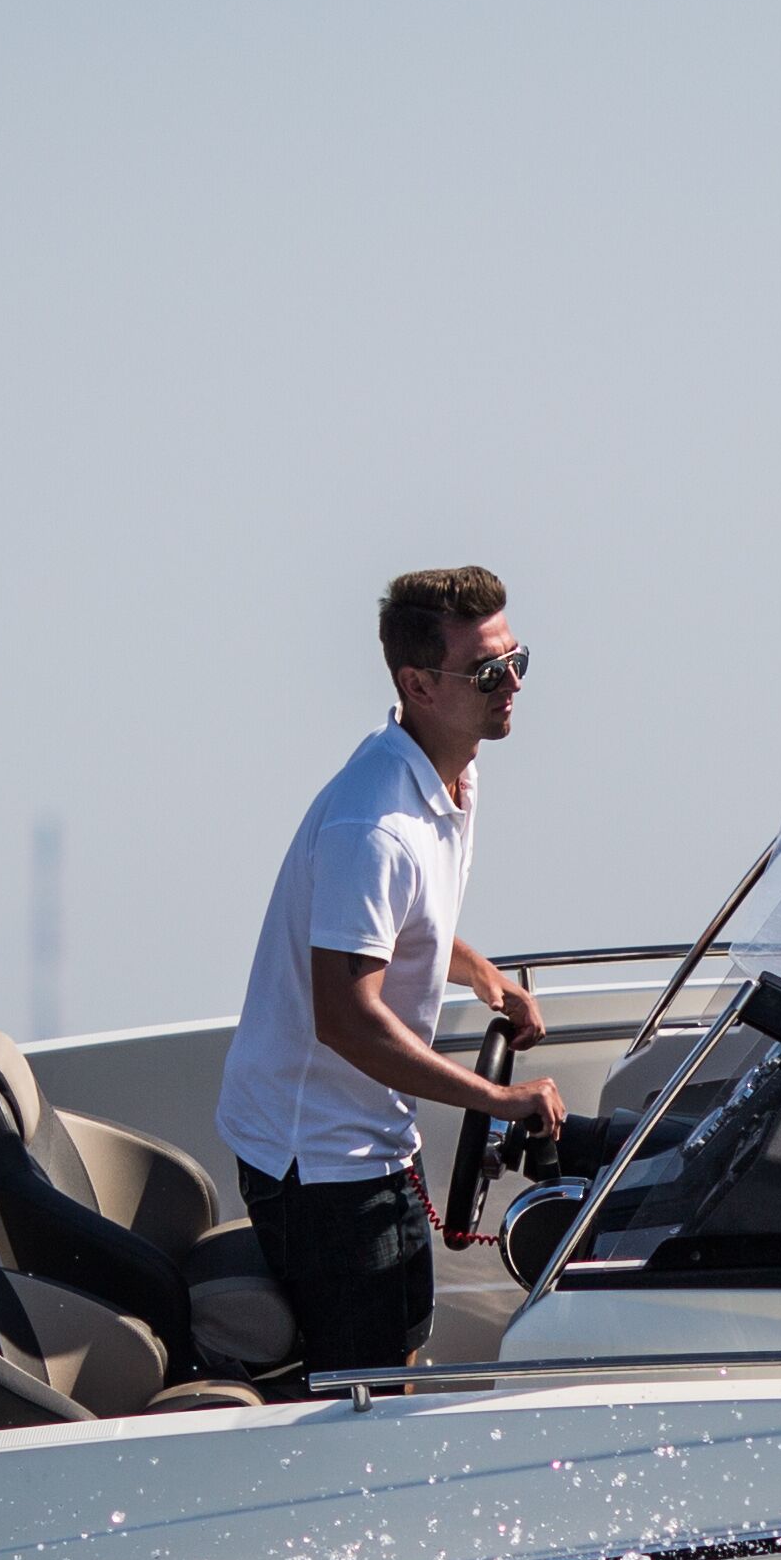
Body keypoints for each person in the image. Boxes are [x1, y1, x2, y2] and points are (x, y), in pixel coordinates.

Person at [211, 565, 569, 1375]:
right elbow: (344, 1018)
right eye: (487, 672)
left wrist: (483, 977)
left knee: (396, 1358)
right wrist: (498, 1100)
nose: (510, 684)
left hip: (371, 1142)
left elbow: (404, 926)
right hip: (321, 1164)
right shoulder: (375, 825)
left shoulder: (449, 777)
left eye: (517, 661)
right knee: (362, 1397)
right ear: (418, 683)